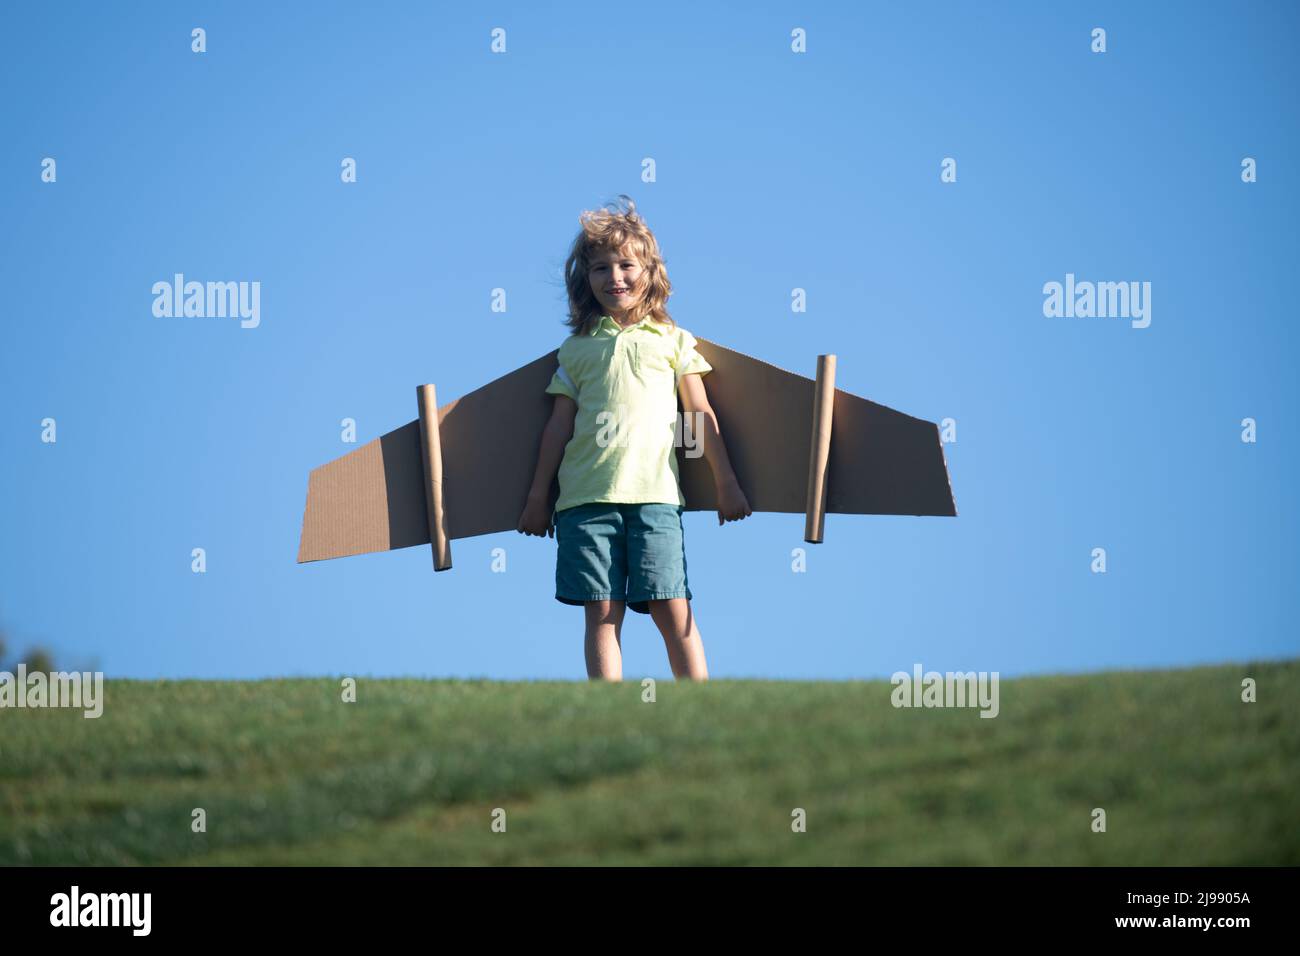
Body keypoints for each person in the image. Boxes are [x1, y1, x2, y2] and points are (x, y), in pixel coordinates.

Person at [517, 195, 751, 681]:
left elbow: (700, 414)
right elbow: (557, 428)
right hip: (585, 500)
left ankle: (701, 708)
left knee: (673, 606)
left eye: (626, 265)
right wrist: (538, 497)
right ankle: (610, 710)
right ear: (585, 279)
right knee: (602, 611)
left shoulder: (673, 341)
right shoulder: (577, 350)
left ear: (650, 272)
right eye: (600, 268)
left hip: (657, 498)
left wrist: (726, 482)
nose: (615, 277)